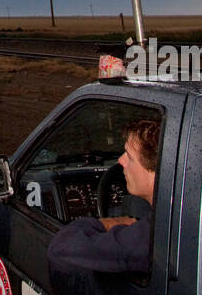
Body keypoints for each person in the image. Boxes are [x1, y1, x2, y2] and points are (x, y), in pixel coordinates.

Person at [46, 118, 160, 276]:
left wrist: (111, 224)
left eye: (130, 156)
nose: (121, 160)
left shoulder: (150, 237)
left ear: (156, 172)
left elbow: (60, 249)